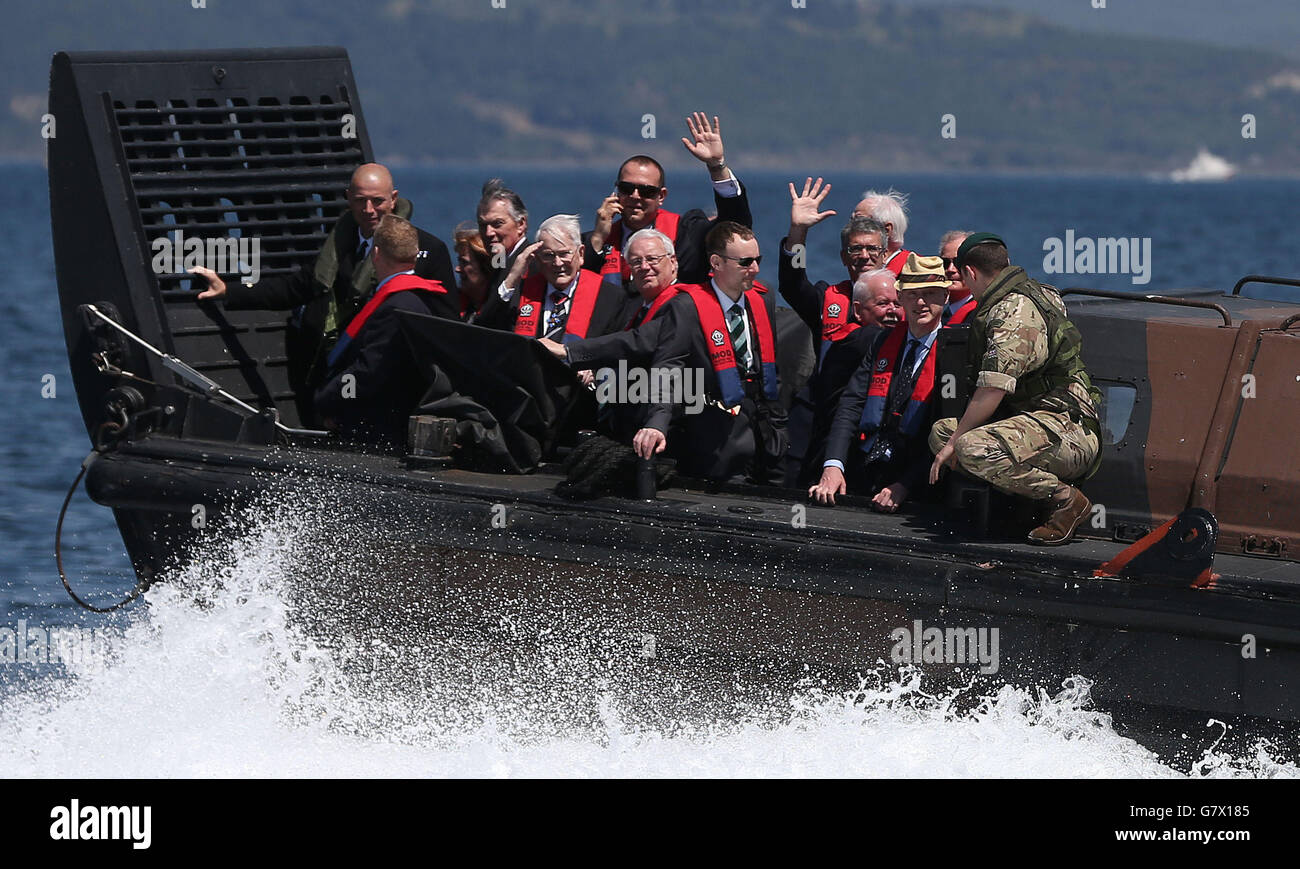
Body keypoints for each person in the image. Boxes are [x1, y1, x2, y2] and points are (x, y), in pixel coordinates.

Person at [189, 163, 457, 407]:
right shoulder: (340, 244)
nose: (369, 210)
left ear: (394, 199)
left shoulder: (427, 249)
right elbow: (298, 287)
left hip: (388, 381)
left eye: (377, 201)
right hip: (336, 370)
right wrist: (229, 291)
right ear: (349, 198)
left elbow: (445, 323)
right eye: (361, 201)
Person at [928, 233, 1103, 545]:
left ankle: (1065, 500)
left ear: (970, 272)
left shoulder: (1013, 313)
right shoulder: (1034, 292)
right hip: (1033, 421)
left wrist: (954, 445)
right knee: (942, 433)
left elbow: (992, 390)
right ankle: (1020, 501)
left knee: (968, 446)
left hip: (1067, 429)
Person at [634, 221, 786, 483]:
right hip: (716, 436)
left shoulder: (764, 297)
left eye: (757, 259)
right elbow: (667, 367)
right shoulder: (686, 306)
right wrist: (656, 422)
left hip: (766, 433)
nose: (756, 269)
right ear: (716, 263)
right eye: (746, 262)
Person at [810, 254, 950, 512]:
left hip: (916, 477)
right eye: (911, 295)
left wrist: (905, 484)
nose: (920, 302)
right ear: (901, 299)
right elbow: (852, 403)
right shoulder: (882, 341)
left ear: (945, 297)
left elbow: (949, 431)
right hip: (868, 460)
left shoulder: (953, 353)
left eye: (930, 294)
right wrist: (833, 465)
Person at [313, 215, 451, 450]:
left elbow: (367, 371)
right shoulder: (420, 300)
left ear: (375, 254)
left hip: (376, 434)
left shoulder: (395, 306)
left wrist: (327, 400)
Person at [541, 228, 689, 440]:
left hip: (671, 426)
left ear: (673, 262)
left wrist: (568, 350)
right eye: (636, 262)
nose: (644, 267)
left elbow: (639, 341)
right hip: (631, 422)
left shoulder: (682, 303)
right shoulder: (638, 307)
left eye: (653, 259)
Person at [584, 113, 752, 289]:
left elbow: (736, 226)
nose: (635, 196)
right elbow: (577, 287)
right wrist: (598, 238)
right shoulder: (595, 243)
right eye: (626, 189)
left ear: (661, 196)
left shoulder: (687, 234)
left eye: (646, 191)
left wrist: (716, 166)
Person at [496, 214, 629, 343]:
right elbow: (488, 329)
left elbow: (614, 351)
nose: (558, 263)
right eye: (549, 255)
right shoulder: (522, 292)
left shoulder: (609, 297)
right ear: (538, 258)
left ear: (581, 253)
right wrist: (512, 277)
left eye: (564, 254)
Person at [853, 188, 912, 276]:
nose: (851, 227)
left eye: (859, 221)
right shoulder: (860, 272)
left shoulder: (914, 273)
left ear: (886, 230)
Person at [452, 224, 493, 323]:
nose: (457, 269)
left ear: (486, 266)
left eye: (464, 263)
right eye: (459, 262)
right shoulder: (453, 304)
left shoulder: (501, 310)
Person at [939, 230, 976, 324]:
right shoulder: (940, 317)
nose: (951, 269)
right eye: (945, 263)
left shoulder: (982, 315)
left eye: (958, 262)